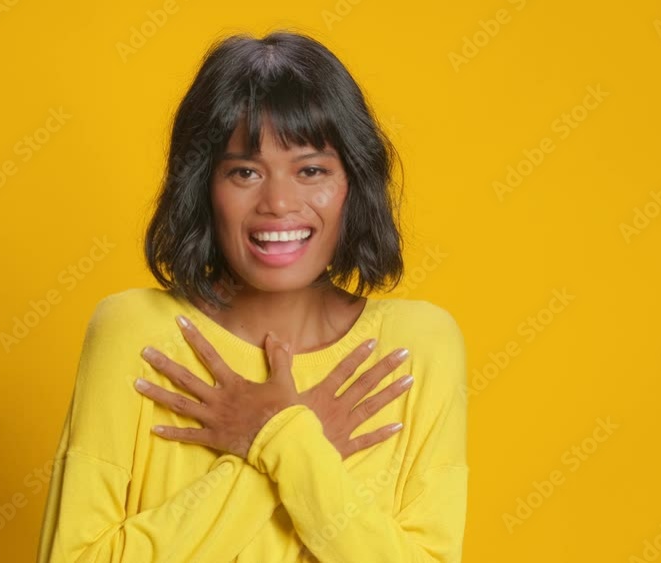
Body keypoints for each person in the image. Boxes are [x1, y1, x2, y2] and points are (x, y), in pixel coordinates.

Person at [36, 30, 467, 562]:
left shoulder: (418, 346)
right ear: (203, 186)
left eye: (311, 170)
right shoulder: (134, 331)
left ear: (353, 182)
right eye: (244, 172)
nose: (279, 202)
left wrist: (280, 438)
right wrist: (286, 441)